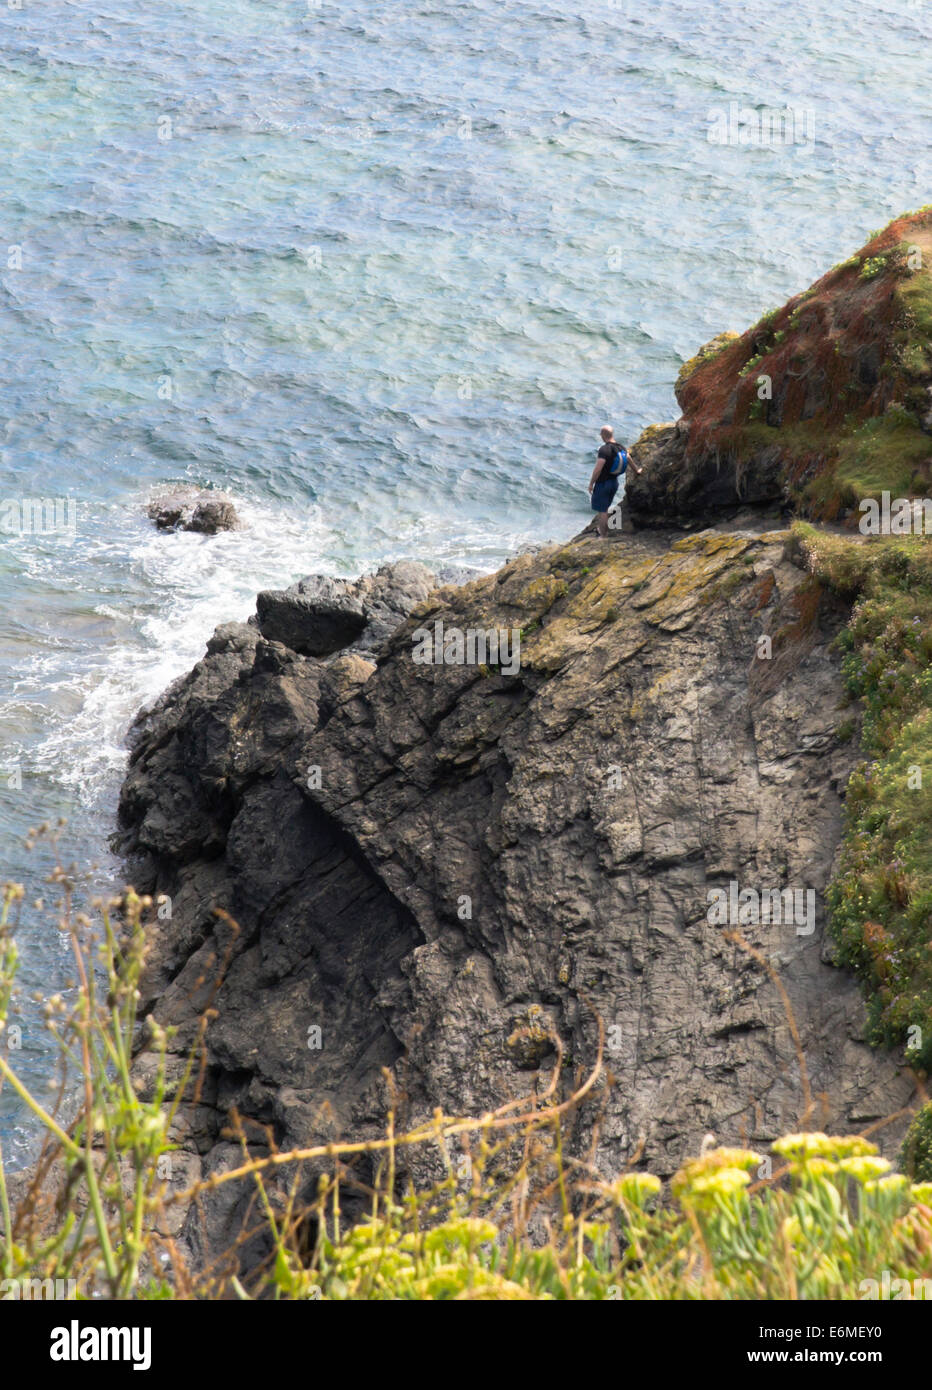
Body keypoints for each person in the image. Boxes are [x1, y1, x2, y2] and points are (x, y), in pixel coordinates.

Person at [587, 426, 643, 537]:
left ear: (603, 435)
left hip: (603, 483)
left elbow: (598, 468)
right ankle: (604, 530)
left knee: (602, 510)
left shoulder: (604, 449)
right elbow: (628, 458)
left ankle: (603, 535)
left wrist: (591, 483)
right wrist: (637, 470)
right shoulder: (621, 447)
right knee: (606, 507)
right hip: (614, 483)